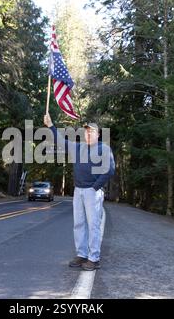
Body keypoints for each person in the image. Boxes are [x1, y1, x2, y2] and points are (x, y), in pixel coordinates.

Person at [44, 113, 116, 271]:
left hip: (92, 191)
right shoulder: (78, 147)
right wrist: (50, 126)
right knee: (79, 224)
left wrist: (96, 186)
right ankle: (82, 254)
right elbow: (61, 141)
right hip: (78, 191)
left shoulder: (104, 148)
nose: (88, 134)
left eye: (91, 131)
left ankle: (94, 258)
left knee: (93, 225)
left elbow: (109, 170)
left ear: (98, 134)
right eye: (86, 131)